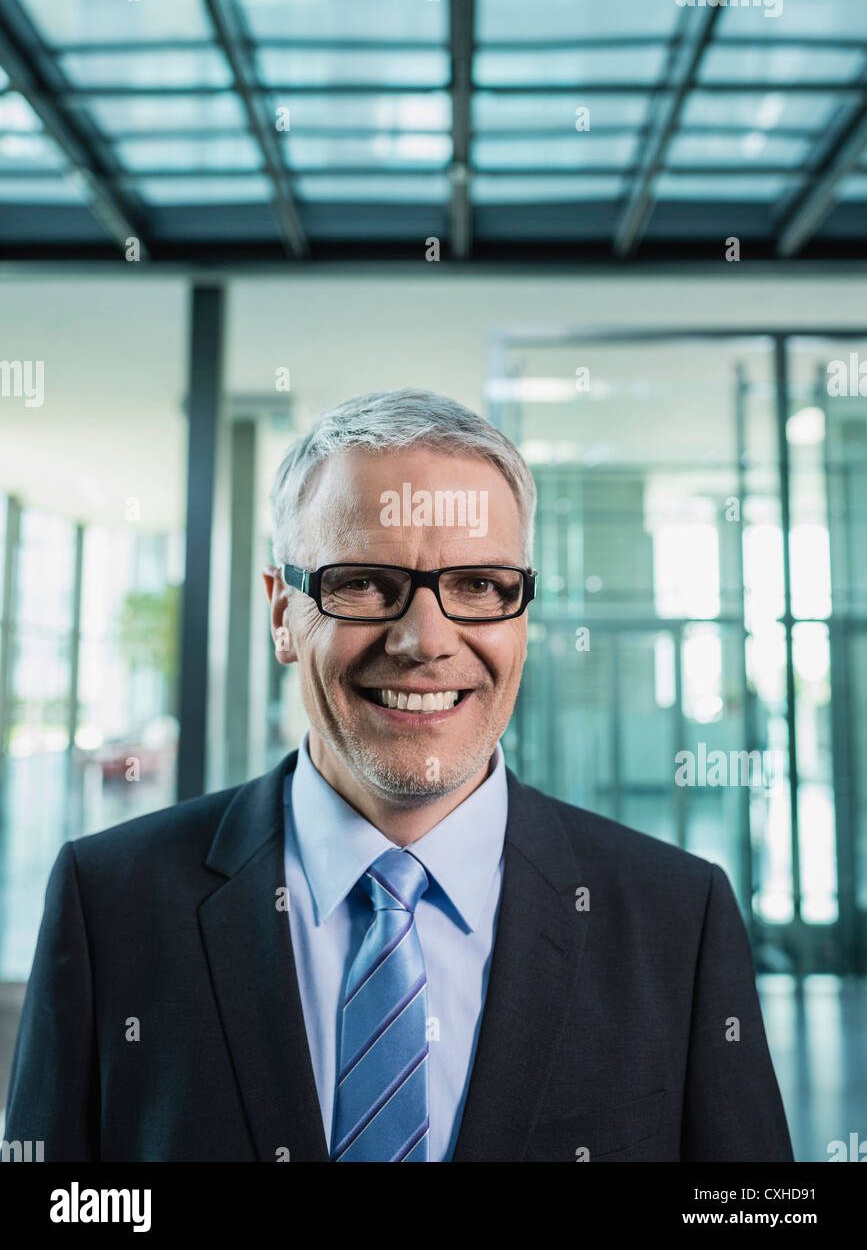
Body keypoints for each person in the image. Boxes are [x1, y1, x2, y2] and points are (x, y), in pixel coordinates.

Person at [4, 388, 793, 1162]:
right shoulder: (109, 902)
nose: (424, 640)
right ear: (283, 613)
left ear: (523, 615)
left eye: (479, 586)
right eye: (362, 583)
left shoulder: (675, 918)